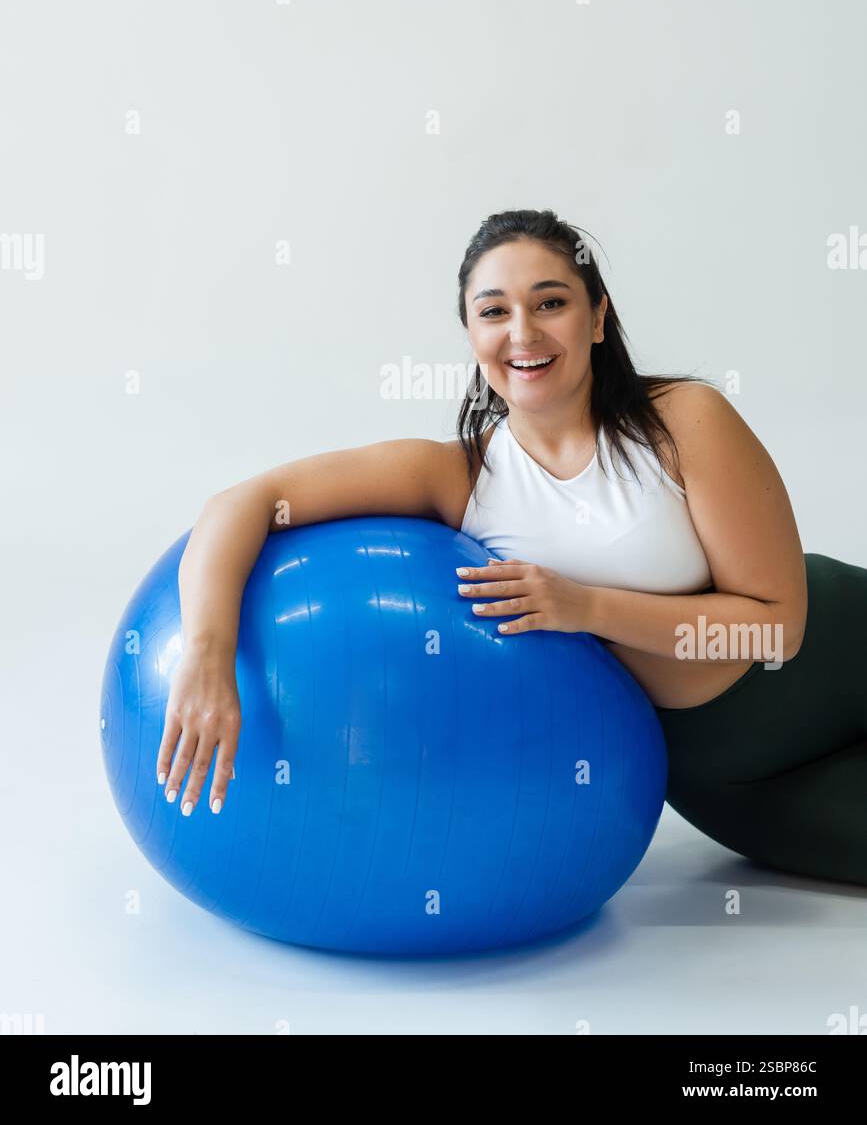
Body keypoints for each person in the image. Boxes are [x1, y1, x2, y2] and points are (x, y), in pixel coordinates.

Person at [157, 208, 867, 885]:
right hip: (716, 775)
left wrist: (584, 606)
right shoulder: (458, 475)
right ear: (470, 333)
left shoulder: (681, 420)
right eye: (493, 311)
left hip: (836, 663)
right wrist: (208, 656)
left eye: (549, 302)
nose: (522, 332)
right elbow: (239, 506)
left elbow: (777, 626)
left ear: (597, 316)